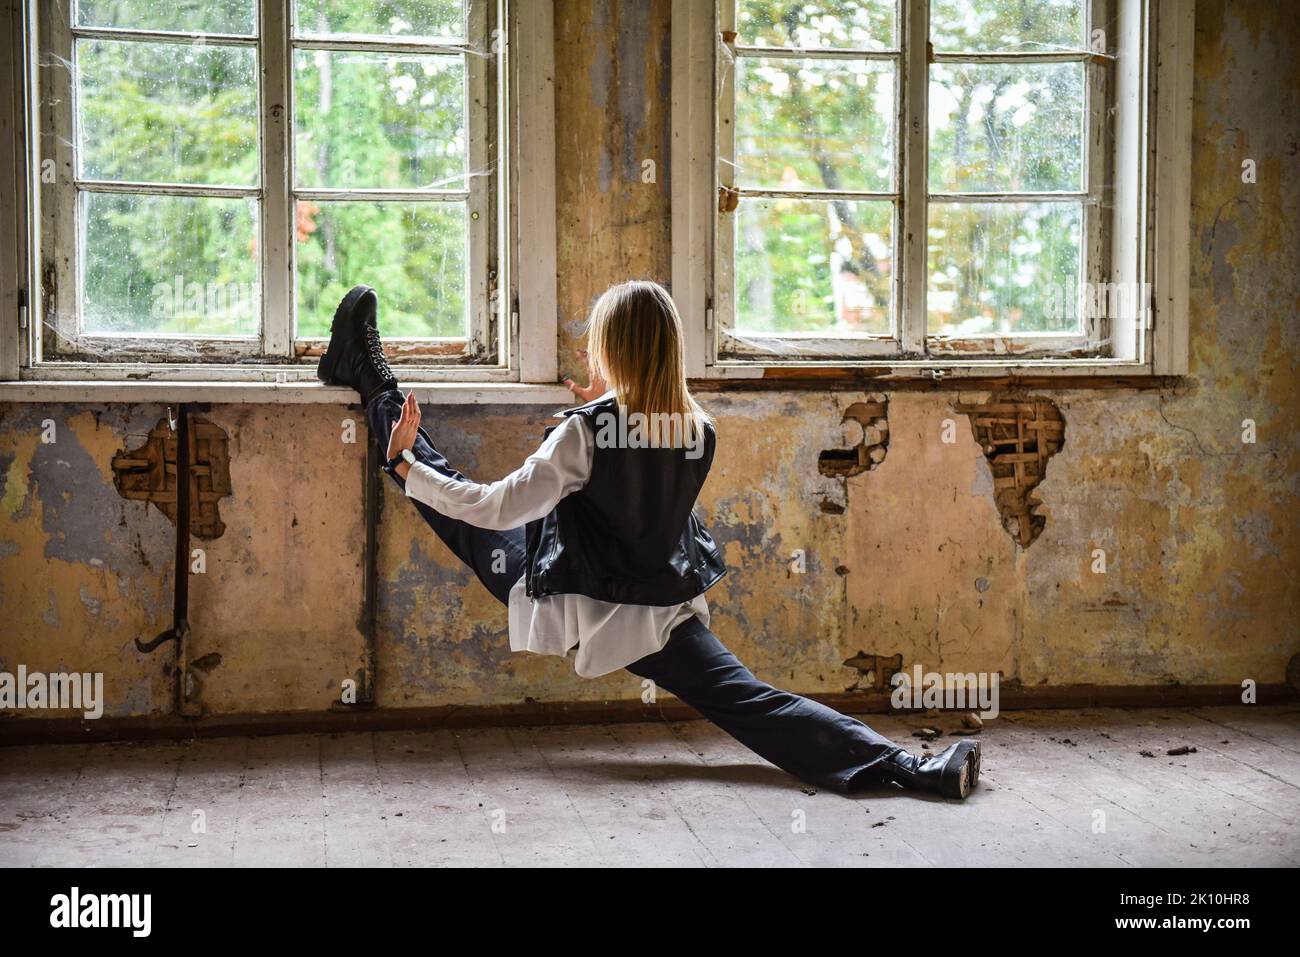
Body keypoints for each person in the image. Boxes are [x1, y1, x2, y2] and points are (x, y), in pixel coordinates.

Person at [317, 279, 980, 799]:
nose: (587, 352)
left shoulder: (583, 433)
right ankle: (916, 767)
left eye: (598, 342)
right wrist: (596, 405)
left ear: (617, 349)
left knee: (452, 491)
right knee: (756, 703)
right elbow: (633, 471)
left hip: (569, 593)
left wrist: (404, 464)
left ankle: (370, 379)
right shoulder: (698, 428)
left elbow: (494, 507)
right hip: (660, 611)